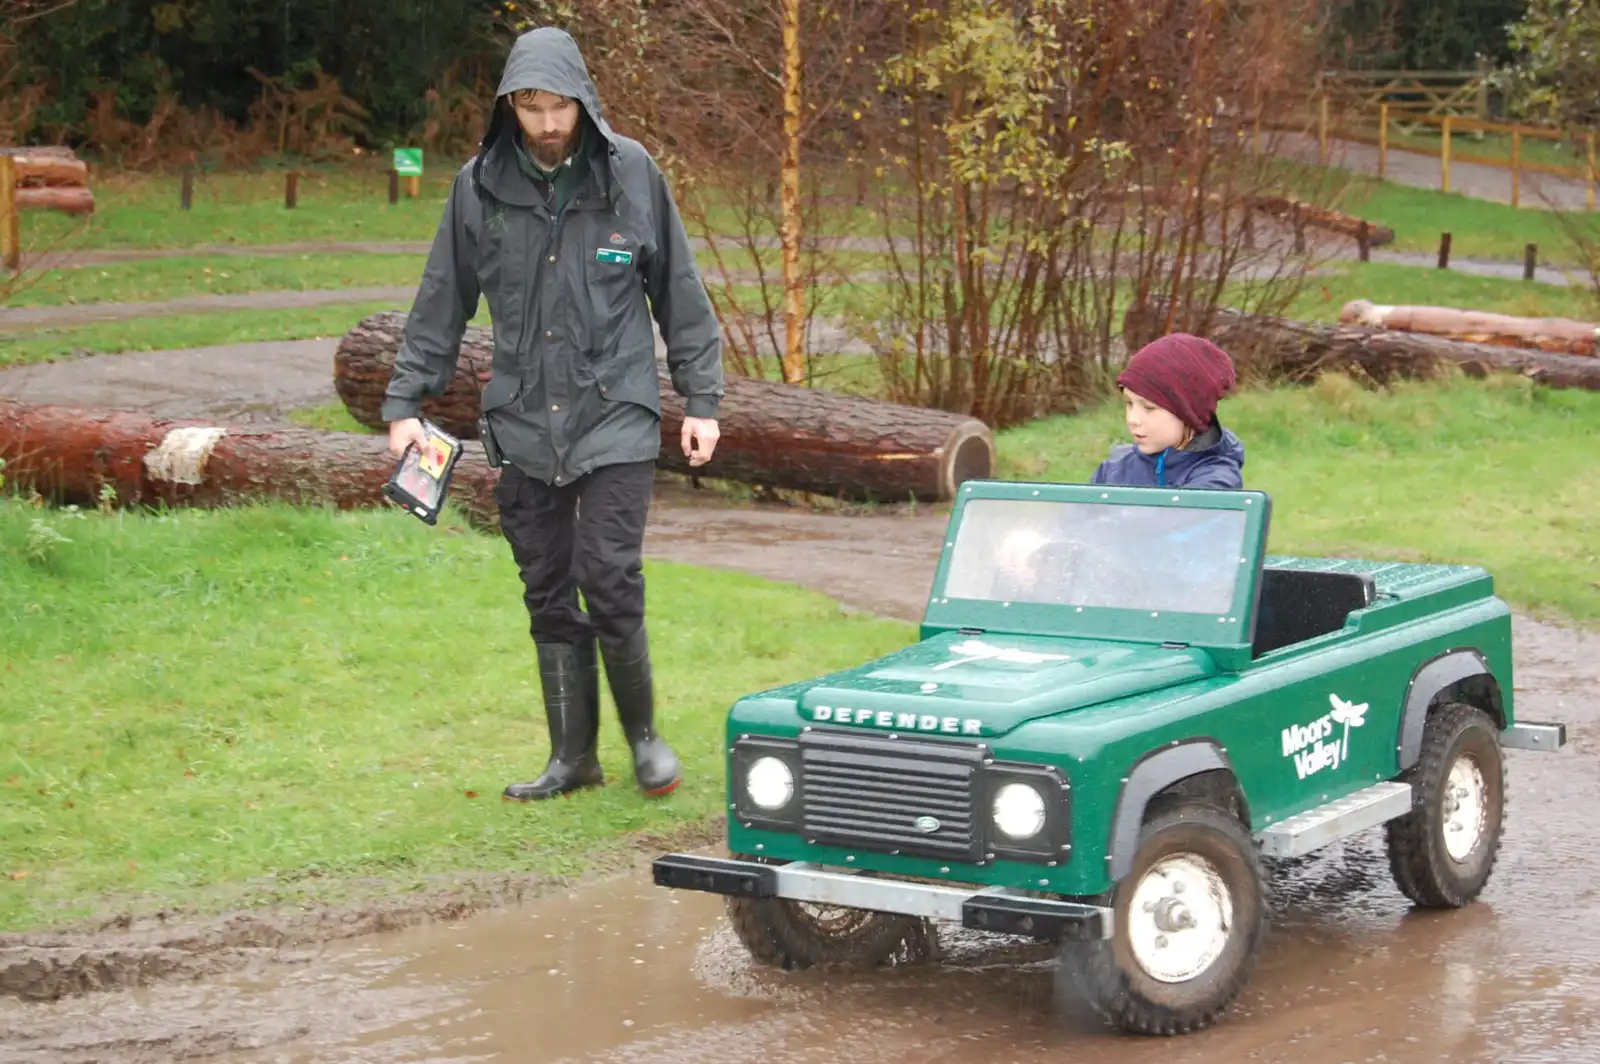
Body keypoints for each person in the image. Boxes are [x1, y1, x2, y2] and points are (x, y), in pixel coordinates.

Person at [382, 27, 725, 802]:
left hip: (616, 417)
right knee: (545, 589)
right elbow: (441, 301)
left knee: (607, 575)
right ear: (510, 106)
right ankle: (574, 759)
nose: (545, 123)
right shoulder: (478, 187)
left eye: (558, 105)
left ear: (583, 102)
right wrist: (406, 400)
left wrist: (701, 400)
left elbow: (681, 295)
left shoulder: (631, 173)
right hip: (524, 422)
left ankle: (645, 741)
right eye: (530, 107)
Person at [1091, 333, 1245, 490]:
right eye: (1129, 404)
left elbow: (1179, 514)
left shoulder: (1215, 480)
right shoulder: (1113, 470)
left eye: (1149, 408)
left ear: (1189, 414)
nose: (1133, 419)